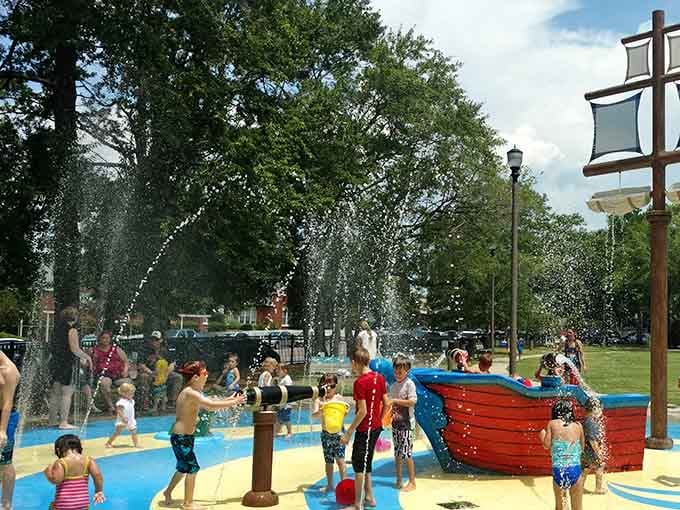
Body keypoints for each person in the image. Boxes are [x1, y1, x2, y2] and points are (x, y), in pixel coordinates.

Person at [162, 361, 246, 509]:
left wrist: (231, 399)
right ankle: (188, 503)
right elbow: (210, 406)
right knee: (192, 468)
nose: (207, 377)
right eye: (205, 374)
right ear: (195, 377)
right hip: (181, 437)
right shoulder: (190, 393)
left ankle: (167, 492)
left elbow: (212, 401)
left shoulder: (192, 392)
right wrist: (235, 401)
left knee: (183, 468)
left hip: (184, 437)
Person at [341, 347, 389, 510]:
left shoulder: (360, 382)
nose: (351, 367)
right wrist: (380, 420)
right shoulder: (379, 377)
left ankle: (357, 504)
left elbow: (362, 411)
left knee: (359, 464)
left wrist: (348, 432)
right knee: (367, 462)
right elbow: (387, 403)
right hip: (375, 428)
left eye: (351, 364)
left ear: (355, 363)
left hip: (364, 429)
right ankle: (369, 496)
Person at [48, 307, 93, 429]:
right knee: (67, 393)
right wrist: (87, 357)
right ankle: (63, 422)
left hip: (55, 362)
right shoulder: (72, 330)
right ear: (75, 317)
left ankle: (52, 420)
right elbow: (75, 349)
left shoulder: (56, 330)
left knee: (55, 392)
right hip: (67, 363)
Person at [539, 400, 585, 510]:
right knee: (577, 507)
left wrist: (542, 435)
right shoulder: (578, 426)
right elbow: (582, 448)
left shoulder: (552, 423)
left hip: (559, 469)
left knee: (560, 507)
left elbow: (546, 445)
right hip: (575, 469)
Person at [43, 434, 105, 510]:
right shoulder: (89, 460)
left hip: (64, 505)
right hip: (83, 504)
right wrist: (99, 491)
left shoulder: (61, 462)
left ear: (58, 450)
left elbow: (56, 480)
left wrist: (48, 472)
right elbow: (98, 476)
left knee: (52, 506)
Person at [311, 373, 348, 493]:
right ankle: (330, 485)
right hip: (326, 434)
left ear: (335, 386)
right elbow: (314, 415)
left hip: (339, 434)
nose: (328, 389)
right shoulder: (319, 400)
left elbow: (344, 413)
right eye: (325, 386)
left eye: (331, 386)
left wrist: (345, 410)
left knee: (340, 460)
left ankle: (344, 485)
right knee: (328, 461)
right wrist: (322, 410)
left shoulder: (339, 399)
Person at [388, 354, 417, 492]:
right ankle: (399, 479)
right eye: (395, 372)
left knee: (407, 453)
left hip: (407, 425)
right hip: (396, 424)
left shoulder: (409, 384)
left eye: (400, 372)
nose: (397, 374)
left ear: (407, 371)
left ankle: (412, 482)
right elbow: (390, 405)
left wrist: (395, 401)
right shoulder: (393, 386)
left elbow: (412, 401)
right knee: (397, 453)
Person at [136, 331, 181, 411]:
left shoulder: (165, 350)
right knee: (143, 377)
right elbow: (141, 365)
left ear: (161, 340)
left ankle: (172, 402)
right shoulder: (143, 350)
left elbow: (172, 363)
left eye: (156, 340)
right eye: (152, 340)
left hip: (164, 373)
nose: (154, 342)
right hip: (149, 372)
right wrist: (151, 373)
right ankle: (145, 403)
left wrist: (166, 373)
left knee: (177, 377)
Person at [89, 331, 131, 415]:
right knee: (105, 383)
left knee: (127, 384)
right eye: (103, 338)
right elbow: (88, 362)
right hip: (104, 374)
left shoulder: (116, 349)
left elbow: (126, 361)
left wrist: (125, 370)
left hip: (118, 374)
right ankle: (111, 406)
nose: (105, 340)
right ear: (99, 339)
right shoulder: (93, 350)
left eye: (107, 338)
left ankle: (120, 405)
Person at [0, 349, 20, 510]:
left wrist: (2, 431)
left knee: (5, 462)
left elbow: (7, 404)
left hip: (4, 418)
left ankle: (6, 503)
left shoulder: (8, 370)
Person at [582, 398, 607, 494]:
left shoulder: (585, 421)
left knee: (585, 470)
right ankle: (598, 488)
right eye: (600, 409)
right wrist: (599, 453)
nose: (601, 411)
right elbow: (593, 440)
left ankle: (580, 487)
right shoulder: (592, 423)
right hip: (592, 451)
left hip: (585, 451)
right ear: (594, 409)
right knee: (599, 467)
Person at [105, 383, 139, 448]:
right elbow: (119, 411)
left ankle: (136, 444)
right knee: (117, 432)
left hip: (130, 420)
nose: (132, 395)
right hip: (122, 420)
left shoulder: (132, 401)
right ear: (123, 394)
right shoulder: (121, 402)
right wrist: (123, 418)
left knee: (134, 431)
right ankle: (108, 443)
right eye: (130, 394)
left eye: (132, 394)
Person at [276, 364, 293, 438]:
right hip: (281, 403)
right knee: (279, 417)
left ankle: (289, 432)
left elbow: (288, 390)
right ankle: (278, 430)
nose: (277, 371)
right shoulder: (281, 378)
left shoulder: (287, 379)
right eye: (276, 370)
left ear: (285, 371)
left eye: (278, 370)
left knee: (286, 418)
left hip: (287, 403)